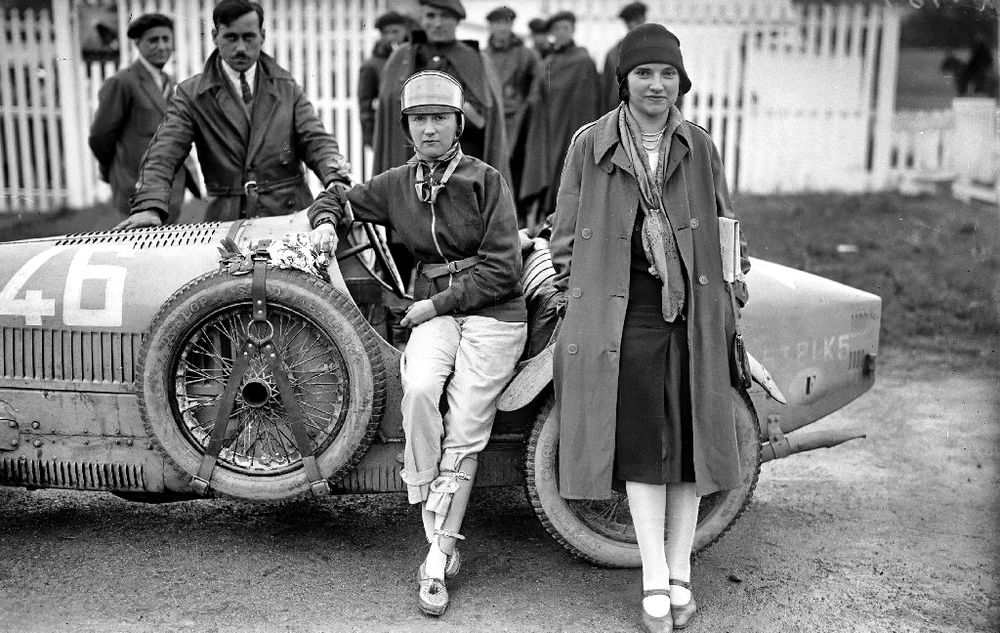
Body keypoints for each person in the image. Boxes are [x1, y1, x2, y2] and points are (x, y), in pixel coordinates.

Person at [549, 24, 750, 632]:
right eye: (643, 73)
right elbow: (563, 240)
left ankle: (681, 570)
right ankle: (655, 580)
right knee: (642, 442)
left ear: (680, 82)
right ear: (624, 81)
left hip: (695, 311)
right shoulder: (591, 145)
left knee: (690, 441)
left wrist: (732, 279)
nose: (656, 85)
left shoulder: (700, 146)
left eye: (667, 74)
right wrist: (577, 296)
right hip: (623, 310)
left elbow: (722, 221)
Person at [307, 70, 526, 617]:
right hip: (437, 311)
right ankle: (432, 499)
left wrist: (434, 304)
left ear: (458, 125)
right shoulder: (398, 183)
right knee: (420, 387)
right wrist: (328, 222)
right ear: (408, 128)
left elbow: (503, 270)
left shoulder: (485, 180)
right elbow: (339, 197)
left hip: (494, 314)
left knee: (468, 420)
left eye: (440, 119)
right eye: (419, 120)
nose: (430, 129)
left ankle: (438, 552)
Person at [116, 0, 349, 229]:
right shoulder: (192, 95)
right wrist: (149, 205)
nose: (240, 48)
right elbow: (164, 151)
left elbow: (315, 139)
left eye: (248, 37)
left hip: (290, 216)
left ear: (262, 36)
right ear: (215, 35)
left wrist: (335, 177)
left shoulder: (286, 87)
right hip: (226, 223)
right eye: (230, 37)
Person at [372, 0, 509, 183]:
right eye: (431, 16)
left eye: (445, 16)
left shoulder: (475, 58)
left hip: (460, 168)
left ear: (457, 21)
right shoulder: (402, 57)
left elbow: (482, 119)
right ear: (422, 18)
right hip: (409, 161)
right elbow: (391, 108)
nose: (437, 23)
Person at [89, 13, 197, 223]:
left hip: (170, 189)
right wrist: (117, 171)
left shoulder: (170, 81)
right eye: (153, 40)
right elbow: (100, 137)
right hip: (136, 188)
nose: (162, 46)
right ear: (137, 44)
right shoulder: (123, 82)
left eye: (166, 39)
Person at [519, 10, 600, 221]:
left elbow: (588, 104)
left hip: (571, 129)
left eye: (565, 28)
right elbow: (537, 97)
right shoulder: (549, 61)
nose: (561, 33)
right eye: (556, 29)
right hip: (547, 130)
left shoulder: (584, 62)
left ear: (572, 30)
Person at [484, 5, 537, 223]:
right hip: (492, 120)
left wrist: (526, 110)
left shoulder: (525, 54)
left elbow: (536, 88)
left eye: (505, 23)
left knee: (517, 170)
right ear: (490, 27)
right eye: (497, 24)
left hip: (519, 122)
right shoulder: (483, 55)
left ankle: (519, 222)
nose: (501, 29)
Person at [359, 11, 411, 149]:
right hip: (387, 128)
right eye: (386, 33)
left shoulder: (414, 58)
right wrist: (370, 137)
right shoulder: (371, 65)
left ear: (405, 31)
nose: (391, 37)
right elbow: (365, 105)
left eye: (395, 31)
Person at [600, 2, 647, 113]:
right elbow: (605, 92)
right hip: (619, 114)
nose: (636, 25)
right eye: (632, 21)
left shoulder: (658, 50)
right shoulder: (613, 53)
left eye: (639, 20)